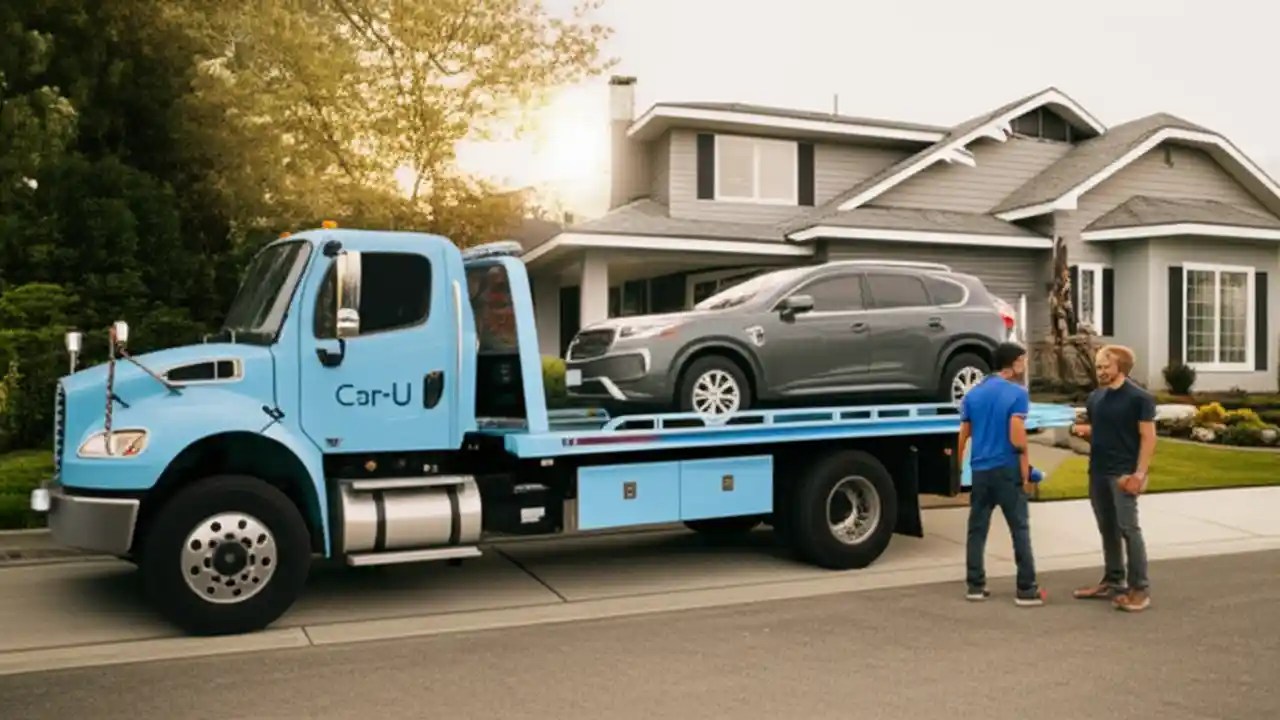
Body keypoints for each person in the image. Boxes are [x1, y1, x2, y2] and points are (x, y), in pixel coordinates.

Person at [1069, 345, 1156, 612]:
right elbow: (1100, 431)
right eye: (1098, 366)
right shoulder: (1096, 397)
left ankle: (1139, 589)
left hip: (1124, 473)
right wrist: (1082, 431)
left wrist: (1139, 474)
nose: (1101, 371)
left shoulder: (1139, 398)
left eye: (1106, 366)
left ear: (1122, 367)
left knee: (1129, 529)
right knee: (1107, 528)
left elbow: (1148, 437)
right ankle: (1114, 580)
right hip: (1098, 471)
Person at [958, 342, 1044, 606]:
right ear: (1015, 362)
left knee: (977, 529)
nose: (1026, 365)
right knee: (1019, 527)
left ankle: (975, 586)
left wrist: (959, 469)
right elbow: (1017, 435)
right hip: (1007, 469)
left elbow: (963, 434)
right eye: (1024, 360)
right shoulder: (1017, 393)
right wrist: (1026, 472)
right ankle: (1026, 589)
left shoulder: (972, 395)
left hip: (981, 471)